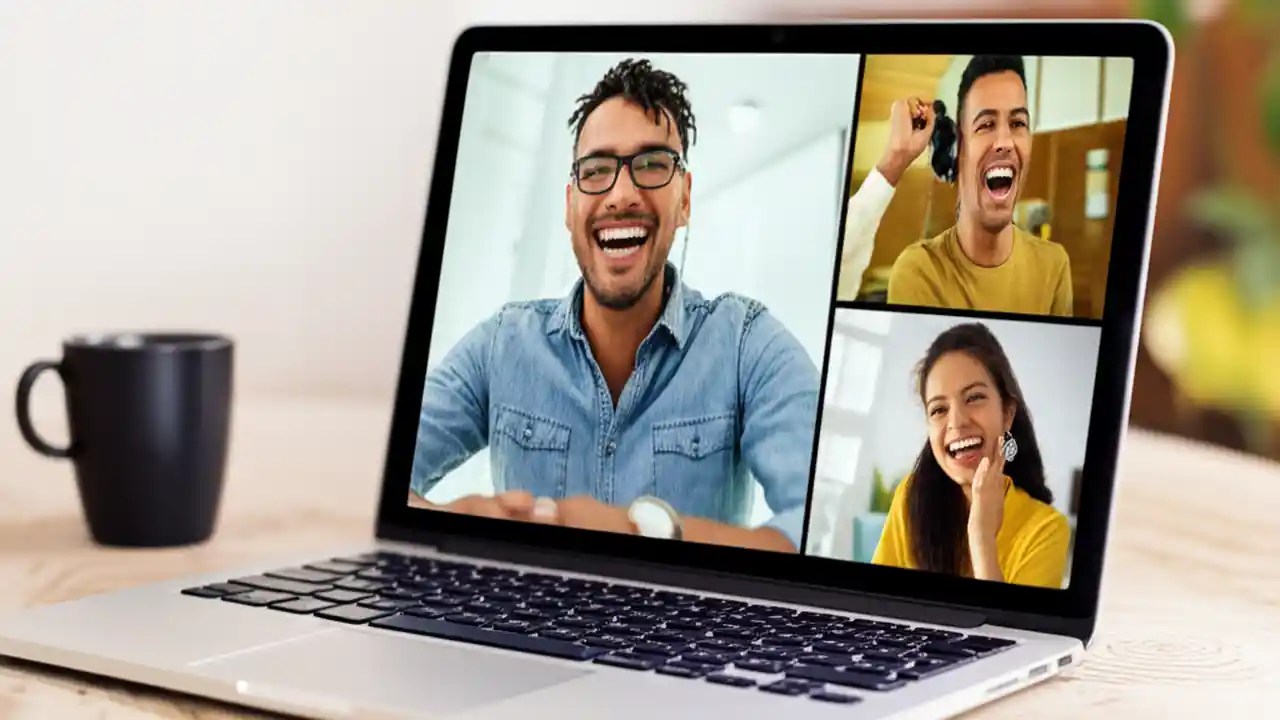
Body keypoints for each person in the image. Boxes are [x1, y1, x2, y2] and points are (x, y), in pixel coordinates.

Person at [406, 58, 819, 553]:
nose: (621, 194)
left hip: (684, 628)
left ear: (684, 199)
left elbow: (814, 532)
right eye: (597, 170)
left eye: (651, 165)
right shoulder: (500, 345)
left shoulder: (749, 346)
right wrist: (455, 531)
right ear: (569, 204)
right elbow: (371, 477)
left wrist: (647, 532)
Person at [841, 56, 1074, 316]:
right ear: (957, 151)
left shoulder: (1054, 264)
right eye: (985, 124)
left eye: (1018, 123)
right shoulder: (919, 270)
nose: (1005, 141)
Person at [872, 322, 1070, 587]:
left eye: (974, 397)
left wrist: (982, 538)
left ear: (1008, 414)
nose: (957, 421)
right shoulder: (910, 496)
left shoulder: (1046, 529)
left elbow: (1006, 629)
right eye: (938, 409)